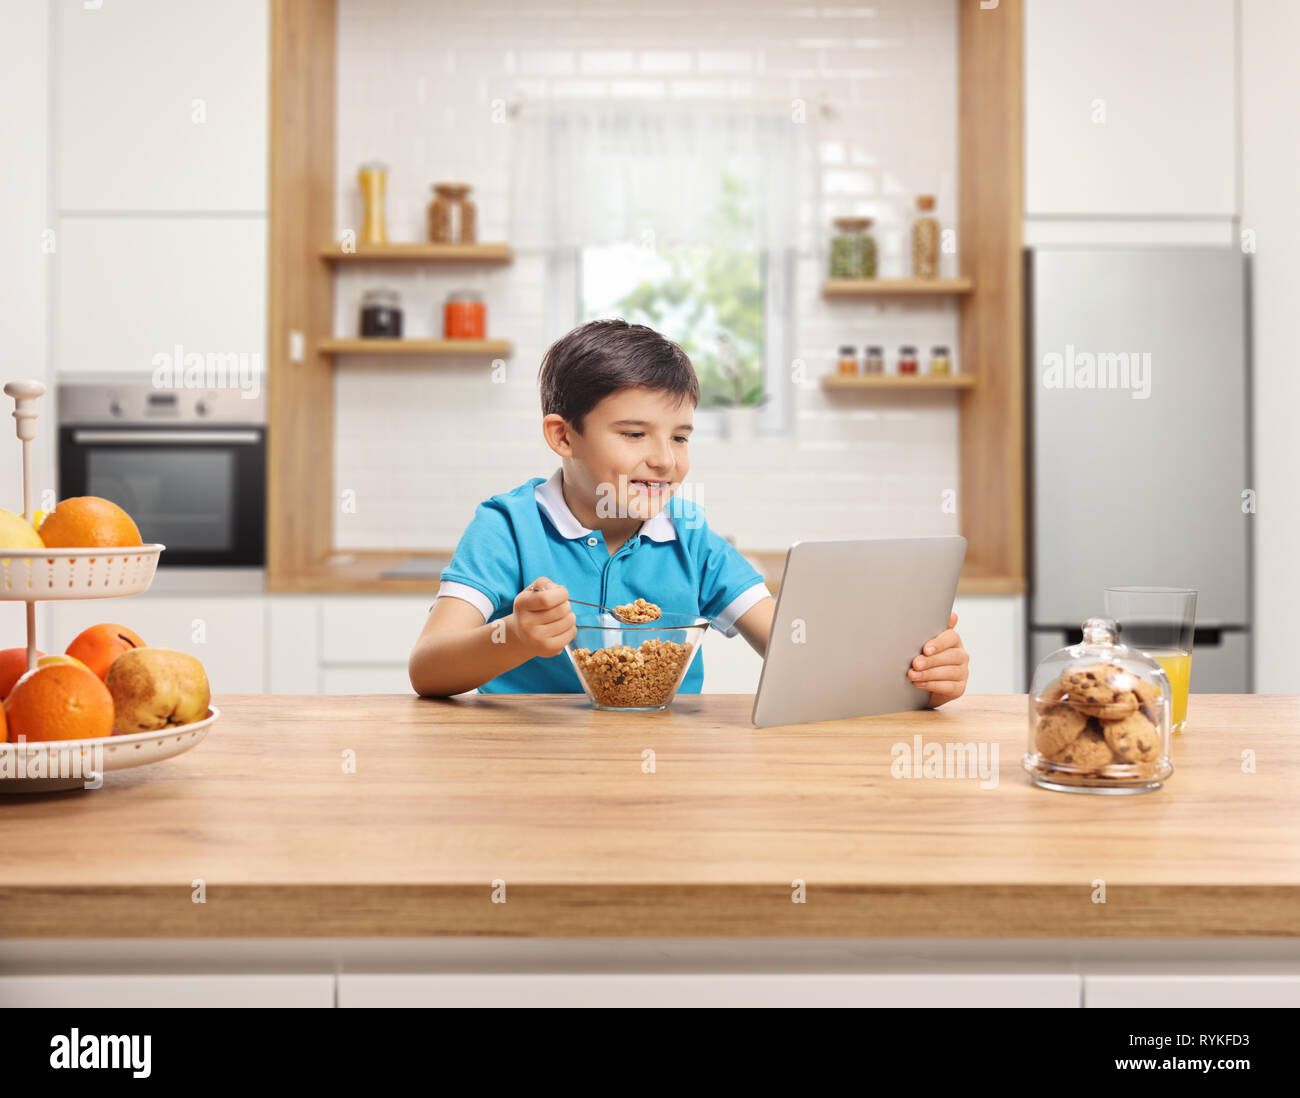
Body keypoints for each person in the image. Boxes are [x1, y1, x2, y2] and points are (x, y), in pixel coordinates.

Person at [409, 318, 969, 702]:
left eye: (679, 438)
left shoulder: (691, 539)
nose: (663, 461)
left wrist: (918, 676)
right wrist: (515, 636)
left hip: (668, 767)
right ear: (563, 437)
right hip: (521, 767)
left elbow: (802, 654)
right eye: (634, 434)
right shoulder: (507, 528)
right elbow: (428, 667)